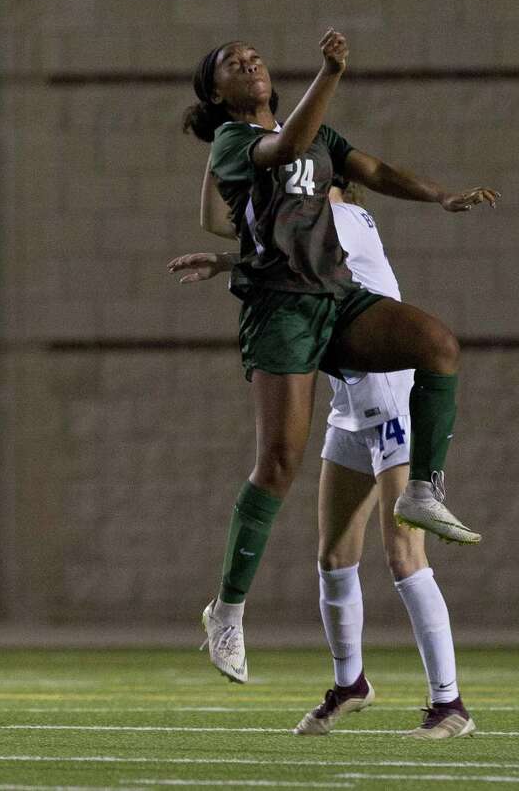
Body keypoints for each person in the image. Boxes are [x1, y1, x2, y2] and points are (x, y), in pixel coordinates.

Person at [169, 31, 498, 685]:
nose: (250, 61)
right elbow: (282, 150)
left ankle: (425, 490)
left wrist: (439, 196)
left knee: (437, 344)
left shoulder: (320, 140)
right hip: (281, 311)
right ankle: (228, 609)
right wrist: (331, 71)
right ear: (216, 94)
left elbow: (372, 170)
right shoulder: (234, 142)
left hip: (335, 297)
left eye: (254, 54)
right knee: (279, 465)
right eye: (233, 64)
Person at [170, 181, 474, 739]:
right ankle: (350, 685)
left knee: (406, 557)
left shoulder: (349, 217)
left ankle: (449, 704)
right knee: (334, 557)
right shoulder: (313, 220)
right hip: (352, 405)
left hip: (392, 399)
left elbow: (288, 255)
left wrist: (226, 259)